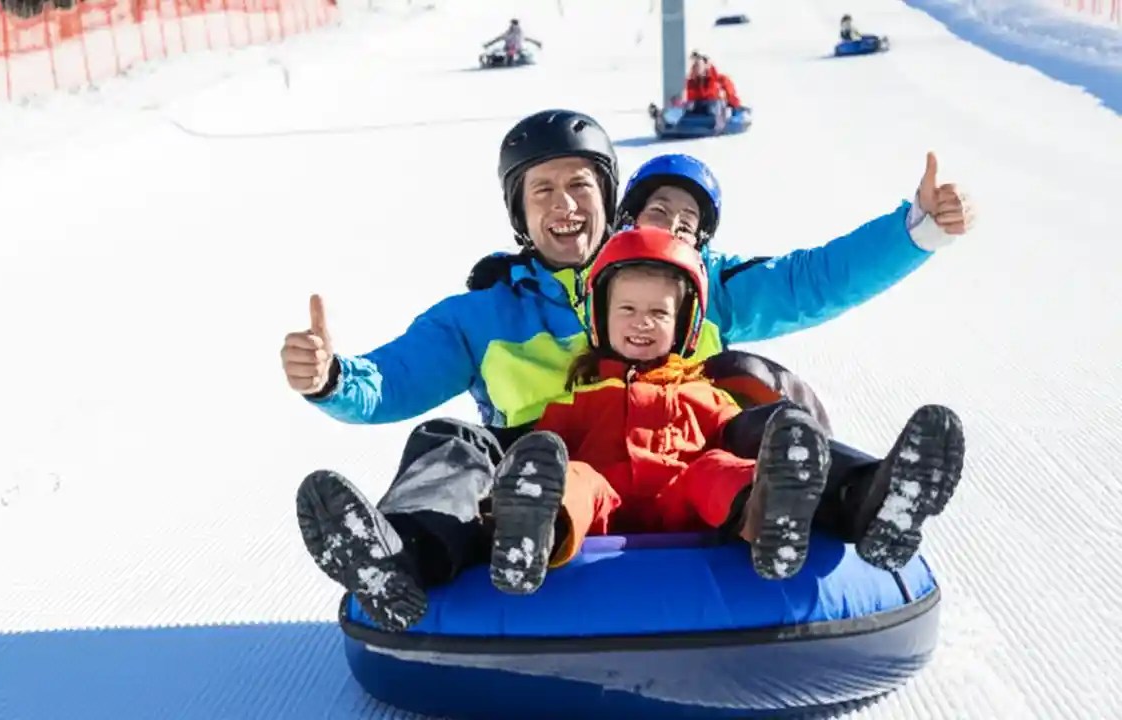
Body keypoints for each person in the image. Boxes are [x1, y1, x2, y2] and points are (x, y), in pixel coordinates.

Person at [284, 109, 975, 632]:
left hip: (689, 453)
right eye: (542, 190)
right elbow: (396, 378)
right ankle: (400, 558)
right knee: (452, 441)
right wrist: (334, 379)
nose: (564, 205)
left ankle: (870, 501)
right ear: (520, 213)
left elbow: (807, 281)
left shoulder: (681, 279)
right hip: (544, 462)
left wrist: (914, 231)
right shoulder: (483, 314)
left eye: (580, 186)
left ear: (606, 197)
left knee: (762, 415)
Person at [487, 226, 965, 594]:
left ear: (684, 326)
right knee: (571, 475)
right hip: (603, 509)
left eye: (659, 313)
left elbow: (736, 439)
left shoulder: (705, 392)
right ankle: (535, 531)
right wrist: (527, 472)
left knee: (717, 468)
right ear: (601, 318)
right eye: (627, 310)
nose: (641, 323)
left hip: (690, 504)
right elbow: (545, 451)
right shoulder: (580, 399)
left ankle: (773, 518)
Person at [683, 52, 741, 130]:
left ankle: (718, 123)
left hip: (715, 110)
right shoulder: (690, 82)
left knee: (717, 103)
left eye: (698, 65)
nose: (695, 68)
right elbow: (689, 97)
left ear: (706, 65)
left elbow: (730, 95)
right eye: (694, 66)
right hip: (698, 109)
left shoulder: (719, 80)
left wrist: (734, 106)